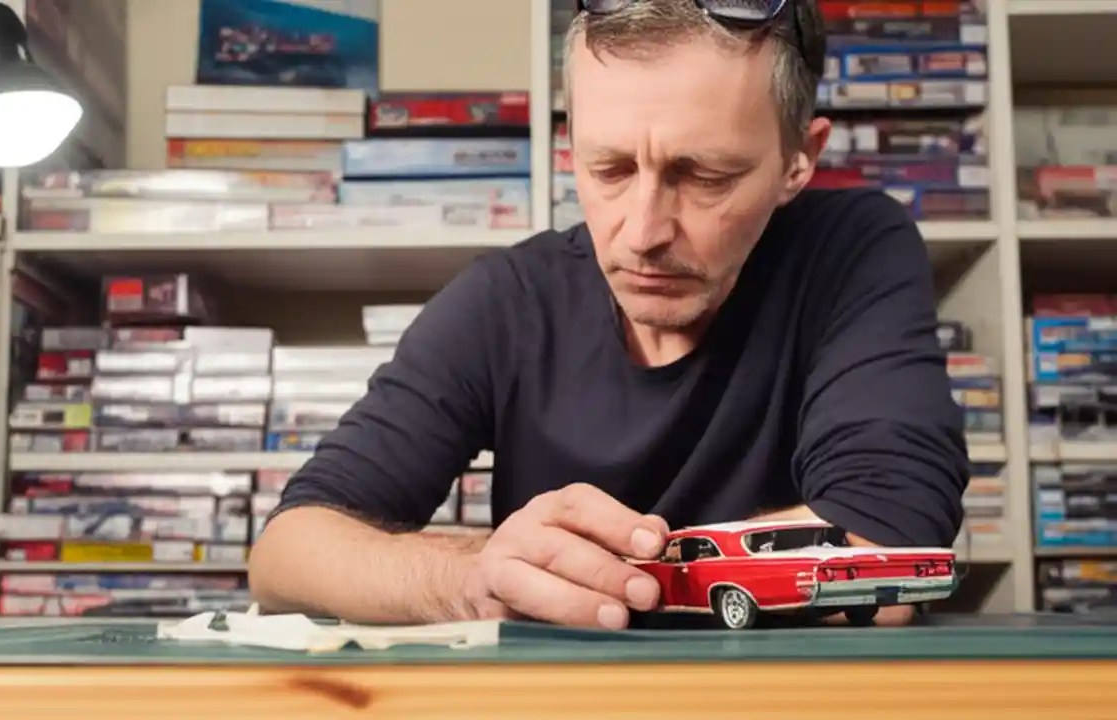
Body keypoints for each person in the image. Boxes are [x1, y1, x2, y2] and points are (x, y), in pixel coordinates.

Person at [248, 0, 969, 630]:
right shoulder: (508, 299)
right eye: (610, 169)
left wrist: (616, 583)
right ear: (569, 147)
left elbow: (886, 547)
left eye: (706, 176)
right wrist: (467, 579)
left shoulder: (851, 249)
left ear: (797, 161)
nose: (643, 231)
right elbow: (288, 551)